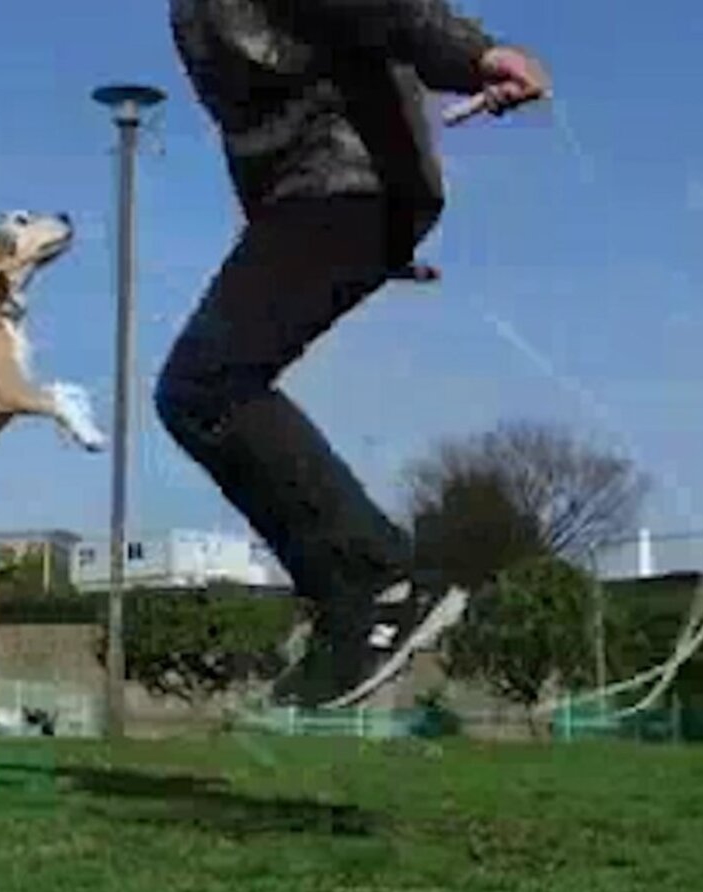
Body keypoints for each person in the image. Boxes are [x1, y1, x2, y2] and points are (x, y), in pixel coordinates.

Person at [158, 0, 551, 707]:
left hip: (352, 180)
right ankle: (360, 595)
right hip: (315, 199)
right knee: (204, 388)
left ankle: (376, 587)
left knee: (204, 385)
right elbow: (258, 124)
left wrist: (471, 57)